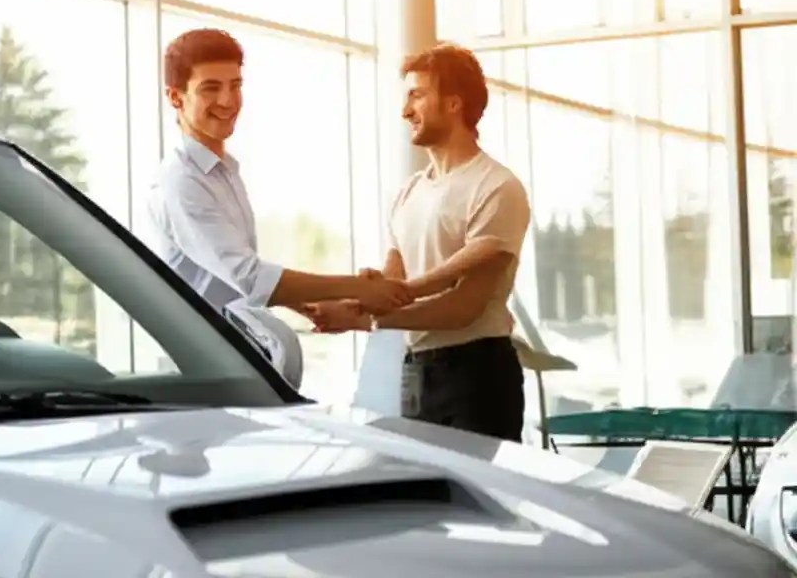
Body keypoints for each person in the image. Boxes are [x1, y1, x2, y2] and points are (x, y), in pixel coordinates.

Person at [307, 42, 531, 441]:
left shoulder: (497, 187)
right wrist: (364, 296)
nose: (405, 110)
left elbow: (465, 307)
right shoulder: (407, 194)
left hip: (478, 372)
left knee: (479, 500)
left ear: (453, 104)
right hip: (416, 368)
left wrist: (362, 317)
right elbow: (396, 288)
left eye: (417, 95)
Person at [145, 28, 412, 339]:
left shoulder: (223, 171)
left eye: (235, 85)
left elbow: (236, 276)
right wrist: (358, 288)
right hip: (206, 355)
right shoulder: (181, 182)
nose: (228, 100)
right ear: (176, 97)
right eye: (210, 88)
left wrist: (314, 304)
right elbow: (249, 278)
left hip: (237, 348)